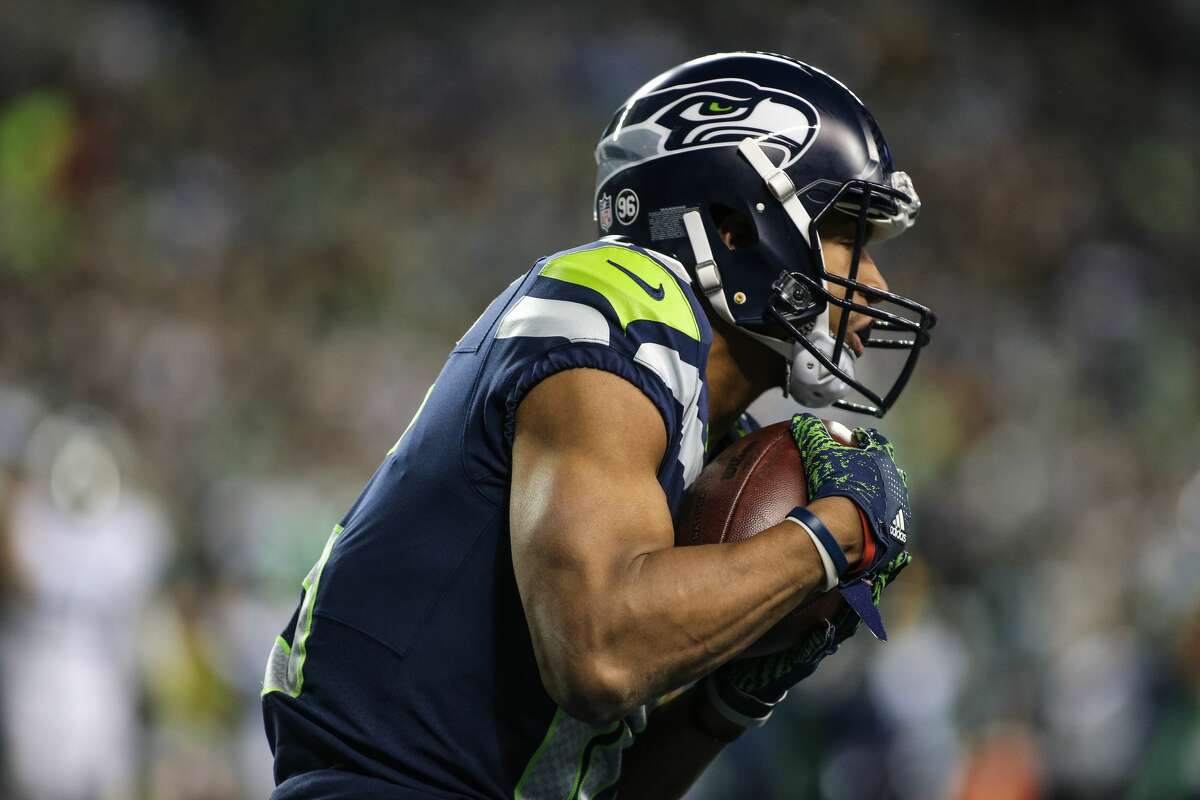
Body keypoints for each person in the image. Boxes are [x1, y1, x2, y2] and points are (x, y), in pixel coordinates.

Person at [261, 51, 936, 799]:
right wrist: (830, 536)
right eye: (848, 233)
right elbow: (600, 658)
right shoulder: (614, 300)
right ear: (737, 223)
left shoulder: (700, 423)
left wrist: (728, 700)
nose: (874, 283)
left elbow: (589, 782)